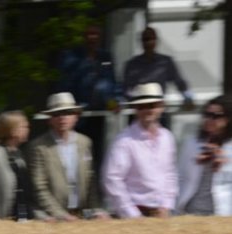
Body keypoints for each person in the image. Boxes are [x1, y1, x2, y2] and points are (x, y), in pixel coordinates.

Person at [29, 92, 108, 221]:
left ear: (76, 116)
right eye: (56, 114)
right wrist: (60, 215)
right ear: (49, 119)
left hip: (81, 214)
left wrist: (96, 209)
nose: (62, 118)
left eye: (67, 112)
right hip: (52, 218)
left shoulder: (85, 142)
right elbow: (39, 188)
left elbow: (91, 181)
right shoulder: (38, 147)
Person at [103, 83, 177, 218]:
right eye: (141, 106)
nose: (147, 110)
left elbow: (170, 173)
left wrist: (166, 205)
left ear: (161, 107)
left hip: (161, 212)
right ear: (135, 109)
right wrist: (133, 215)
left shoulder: (167, 137)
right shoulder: (124, 141)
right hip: (136, 212)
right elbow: (112, 179)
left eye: (152, 105)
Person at [176, 95, 232, 216]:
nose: (209, 119)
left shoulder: (230, 147)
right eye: (207, 115)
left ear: (227, 119)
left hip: (223, 213)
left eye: (216, 116)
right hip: (191, 212)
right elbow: (180, 177)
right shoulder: (192, 144)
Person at [123, 27, 193, 109]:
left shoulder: (166, 62)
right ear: (141, 42)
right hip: (139, 109)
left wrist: (188, 98)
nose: (149, 42)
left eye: (152, 39)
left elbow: (179, 82)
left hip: (159, 108)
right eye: (146, 39)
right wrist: (129, 101)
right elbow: (126, 88)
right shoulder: (132, 64)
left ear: (156, 41)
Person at [57, 25, 120, 112]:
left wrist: (114, 101)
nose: (93, 37)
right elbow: (67, 84)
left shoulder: (105, 56)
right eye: (90, 34)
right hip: (79, 109)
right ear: (84, 37)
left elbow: (111, 81)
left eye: (96, 34)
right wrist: (71, 105)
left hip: (102, 110)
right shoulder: (72, 57)